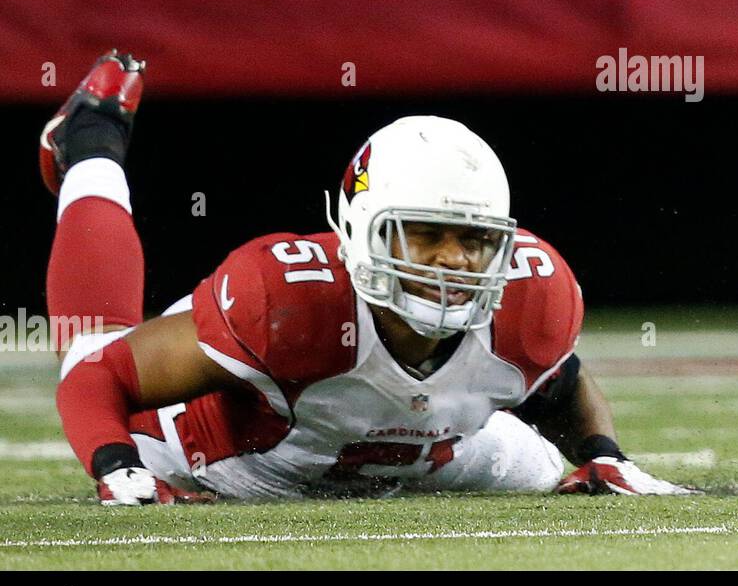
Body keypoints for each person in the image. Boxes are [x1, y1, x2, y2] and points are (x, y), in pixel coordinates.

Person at [44, 51, 691, 503]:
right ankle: (91, 139)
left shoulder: (531, 295)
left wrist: (605, 449)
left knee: (580, 482)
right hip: (242, 462)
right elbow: (96, 376)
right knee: (90, 344)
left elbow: (564, 381)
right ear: (361, 232)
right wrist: (117, 468)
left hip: (435, 448)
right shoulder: (290, 303)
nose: (452, 259)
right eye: (425, 233)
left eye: (473, 239)